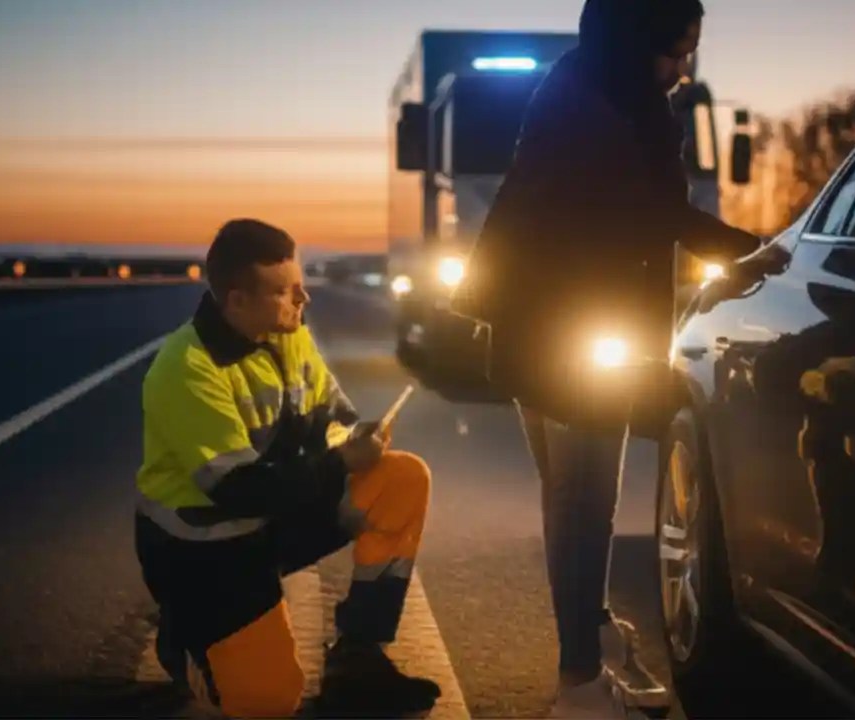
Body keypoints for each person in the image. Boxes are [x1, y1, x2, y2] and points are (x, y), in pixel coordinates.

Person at [452, 0, 763, 716]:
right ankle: (580, 685)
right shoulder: (610, 110)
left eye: (691, 53)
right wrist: (751, 250)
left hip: (538, 319)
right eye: (674, 52)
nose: (683, 70)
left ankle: (589, 646)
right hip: (572, 324)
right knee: (585, 503)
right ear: (633, 43)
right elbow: (644, 211)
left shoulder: (579, 84)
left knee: (567, 499)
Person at [134, 218, 441, 718]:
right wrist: (341, 461)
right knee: (268, 702)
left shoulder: (288, 336)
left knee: (401, 477)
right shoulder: (185, 369)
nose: (304, 300)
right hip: (204, 550)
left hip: (274, 518)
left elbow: (332, 417)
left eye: (299, 286)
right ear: (237, 300)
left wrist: (355, 441)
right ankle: (185, 636)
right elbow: (238, 491)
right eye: (286, 291)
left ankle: (358, 658)